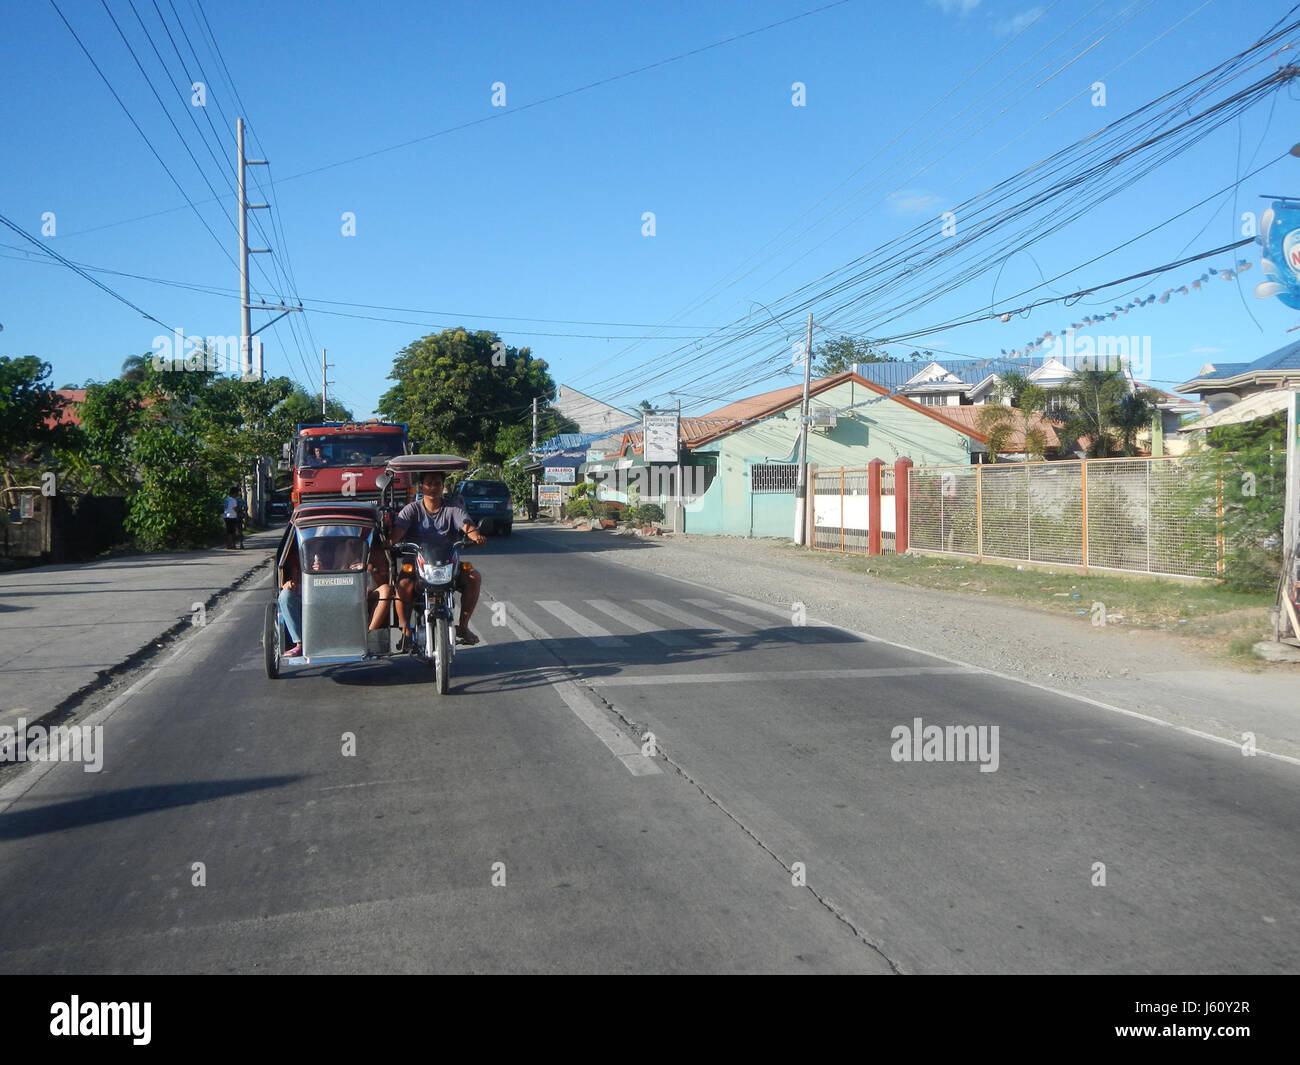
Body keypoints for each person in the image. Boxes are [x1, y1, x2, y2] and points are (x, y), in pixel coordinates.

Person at [391, 470, 486, 646]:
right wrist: (391, 541)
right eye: (429, 483)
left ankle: (463, 626)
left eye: (437, 484)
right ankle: (405, 632)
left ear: (443, 487)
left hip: (448, 564)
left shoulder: (453, 509)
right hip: (416, 565)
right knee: (402, 585)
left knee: (474, 577)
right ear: (421, 486)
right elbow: (398, 532)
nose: (433, 487)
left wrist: (475, 537)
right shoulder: (411, 510)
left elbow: (467, 525)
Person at [278, 542, 304, 658]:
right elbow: (293, 582)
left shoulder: (335, 552)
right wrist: (288, 584)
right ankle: (300, 644)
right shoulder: (297, 557)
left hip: (328, 600)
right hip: (301, 604)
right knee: (285, 595)